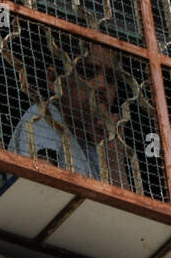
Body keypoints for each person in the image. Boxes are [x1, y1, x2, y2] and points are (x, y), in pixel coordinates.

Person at [7, 41, 137, 191]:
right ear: (54, 79)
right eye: (87, 73)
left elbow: (120, 211)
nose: (102, 85)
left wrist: (114, 158)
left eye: (110, 79)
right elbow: (40, 190)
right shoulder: (43, 117)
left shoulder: (98, 145)